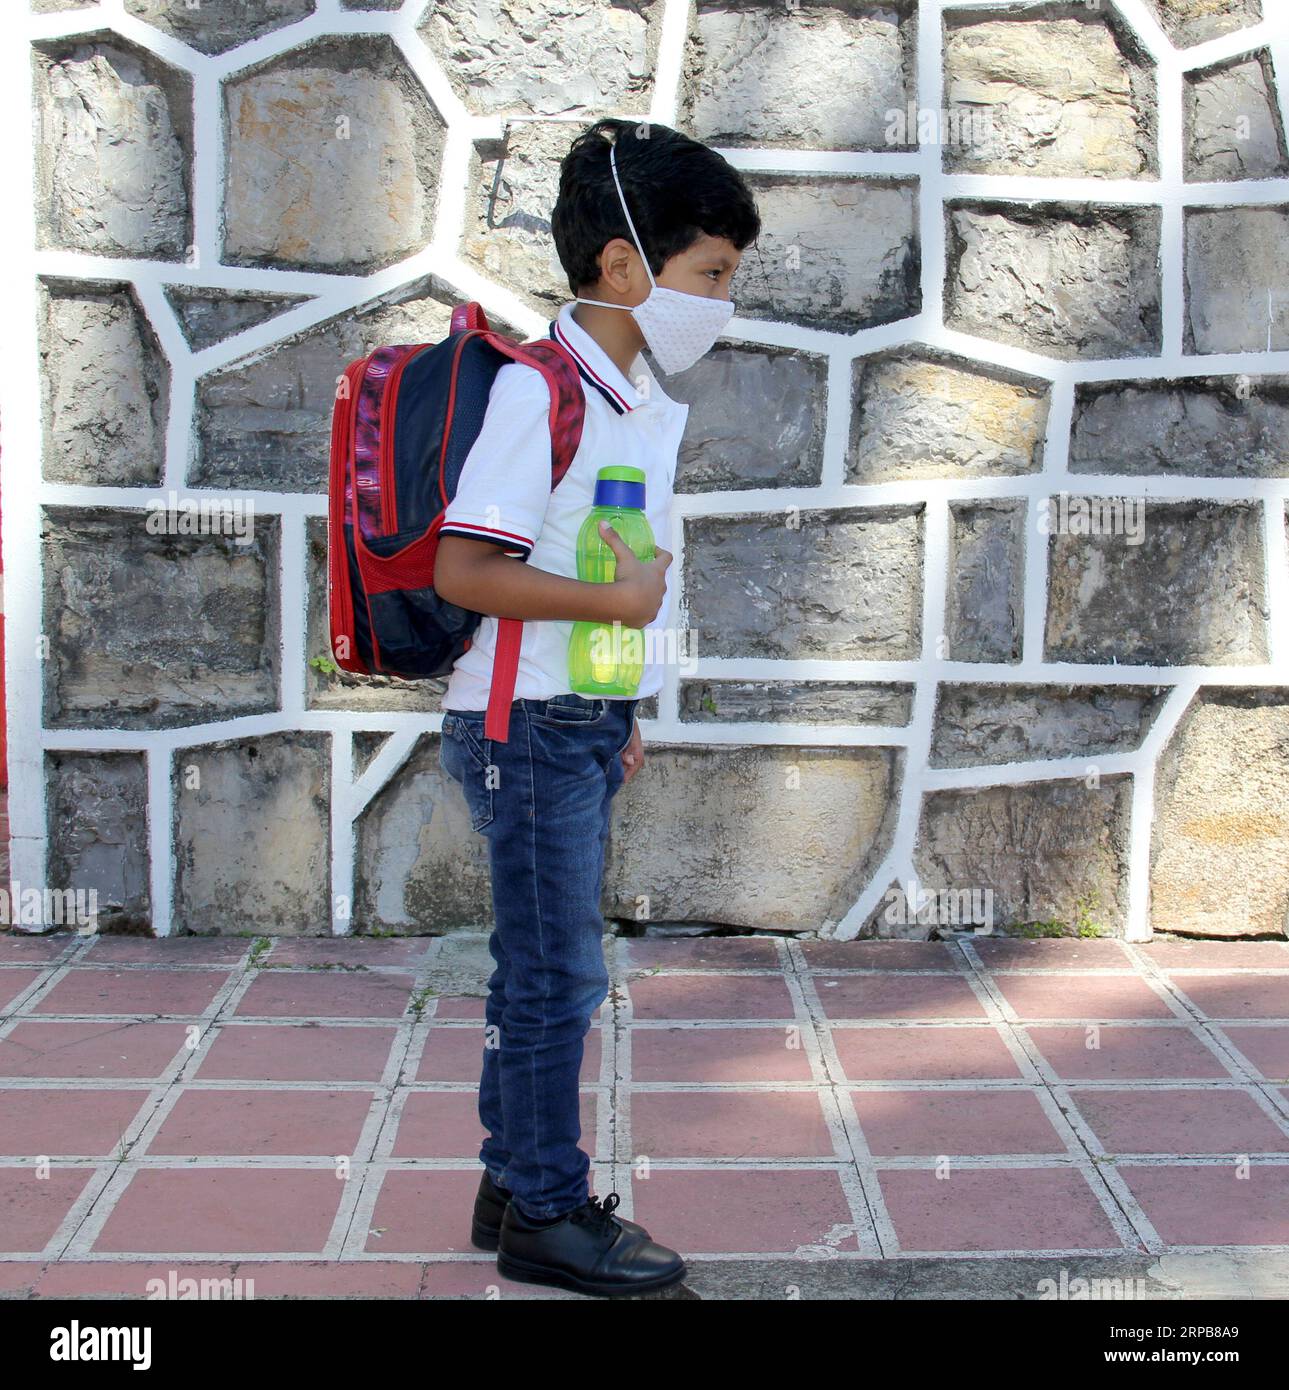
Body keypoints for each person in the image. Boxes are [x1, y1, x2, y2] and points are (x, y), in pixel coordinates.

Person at [433, 116, 760, 1297]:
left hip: (569, 721)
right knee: (555, 977)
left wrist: (618, 713)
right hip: (519, 726)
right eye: (710, 274)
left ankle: (508, 1179)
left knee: (538, 969)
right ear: (623, 266)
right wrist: (616, 607)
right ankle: (549, 1211)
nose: (724, 300)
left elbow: (605, 575)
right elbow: (466, 570)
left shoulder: (621, 395)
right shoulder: (543, 393)